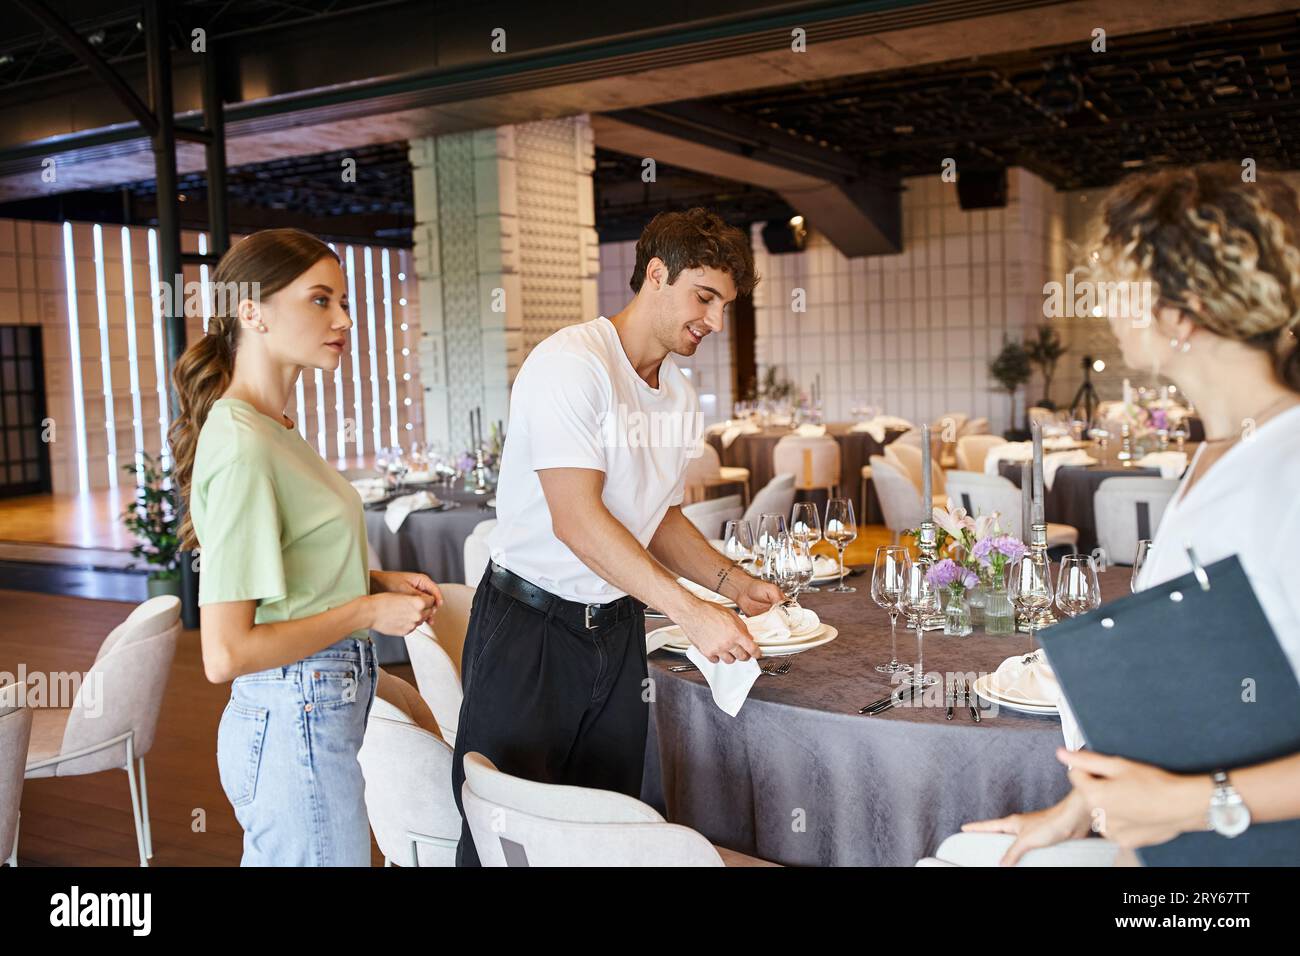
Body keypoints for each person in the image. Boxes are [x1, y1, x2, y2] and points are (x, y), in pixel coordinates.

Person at [964, 164, 1300, 864]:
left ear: (1183, 313)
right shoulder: (1220, 453)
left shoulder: (1288, 467)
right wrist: (1077, 810)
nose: (1109, 307)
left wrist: (1189, 804)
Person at [450, 208, 786, 865]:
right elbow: (578, 520)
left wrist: (731, 582)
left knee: (606, 832)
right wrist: (692, 612)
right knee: (507, 834)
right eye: (705, 298)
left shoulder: (680, 395)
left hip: (617, 629)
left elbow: (652, 514)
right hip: (530, 629)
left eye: (725, 306)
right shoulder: (573, 365)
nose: (715, 322)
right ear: (656, 275)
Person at [171, 228, 443, 865]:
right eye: (321, 300)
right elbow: (226, 651)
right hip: (294, 719)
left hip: (306, 717)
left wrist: (372, 582)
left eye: (344, 302)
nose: (344, 319)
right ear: (251, 311)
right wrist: (368, 613)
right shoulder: (243, 440)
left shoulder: (272, 428)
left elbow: (288, 578)